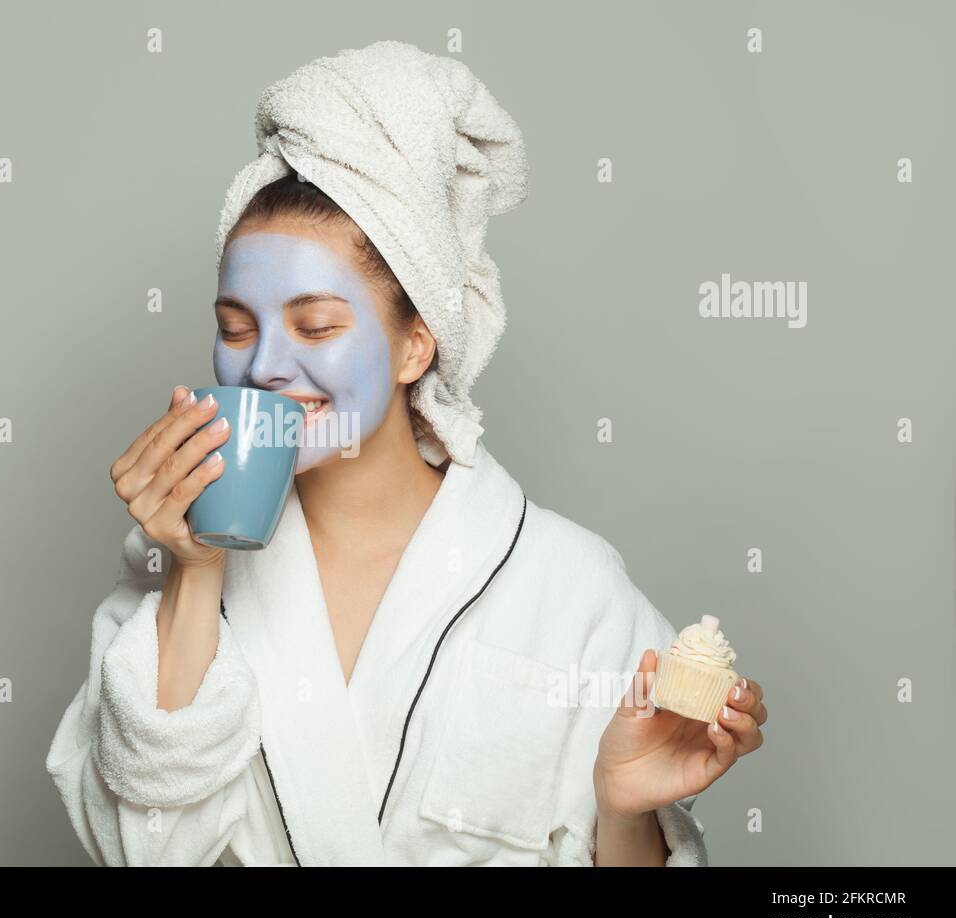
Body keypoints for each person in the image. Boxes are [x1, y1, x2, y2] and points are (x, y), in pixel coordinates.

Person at [46, 41, 767, 866]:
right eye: (236, 328)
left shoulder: (569, 587)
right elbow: (137, 846)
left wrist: (624, 814)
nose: (265, 364)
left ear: (416, 345)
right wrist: (197, 566)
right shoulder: (167, 563)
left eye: (316, 326)